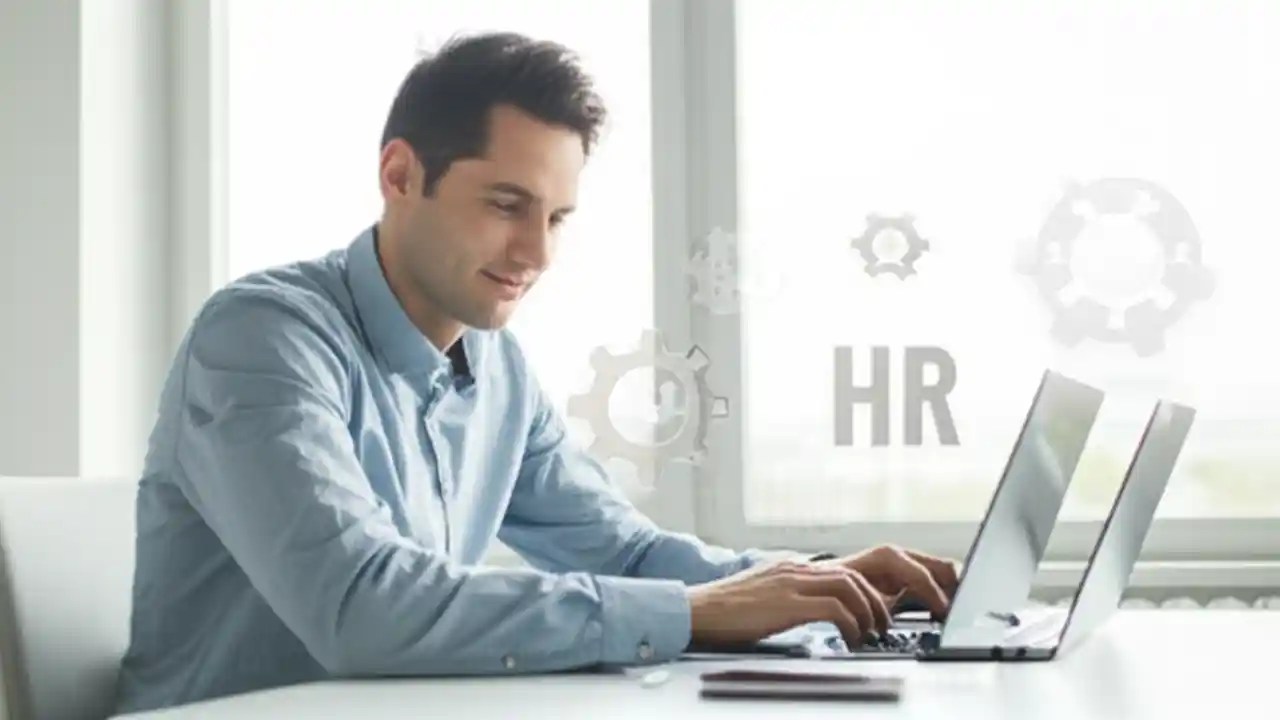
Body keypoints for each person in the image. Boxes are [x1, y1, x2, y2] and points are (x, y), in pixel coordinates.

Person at [114, 31, 959, 714]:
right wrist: (697, 613)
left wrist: (819, 584)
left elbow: (625, 553)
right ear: (400, 175)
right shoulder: (263, 340)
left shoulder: (496, 367)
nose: (538, 254)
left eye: (557, 217)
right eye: (507, 206)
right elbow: (362, 608)